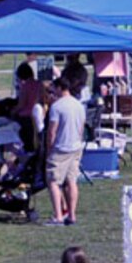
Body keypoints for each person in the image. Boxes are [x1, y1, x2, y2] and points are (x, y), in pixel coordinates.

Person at [45, 75, 86, 227]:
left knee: (53, 181)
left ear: (60, 88)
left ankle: (58, 216)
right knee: (71, 181)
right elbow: (81, 128)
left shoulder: (57, 107)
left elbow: (52, 131)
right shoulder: (79, 105)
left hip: (60, 148)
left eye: (54, 89)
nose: (53, 92)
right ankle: (72, 215)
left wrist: (49, 149)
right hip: (76, 147)